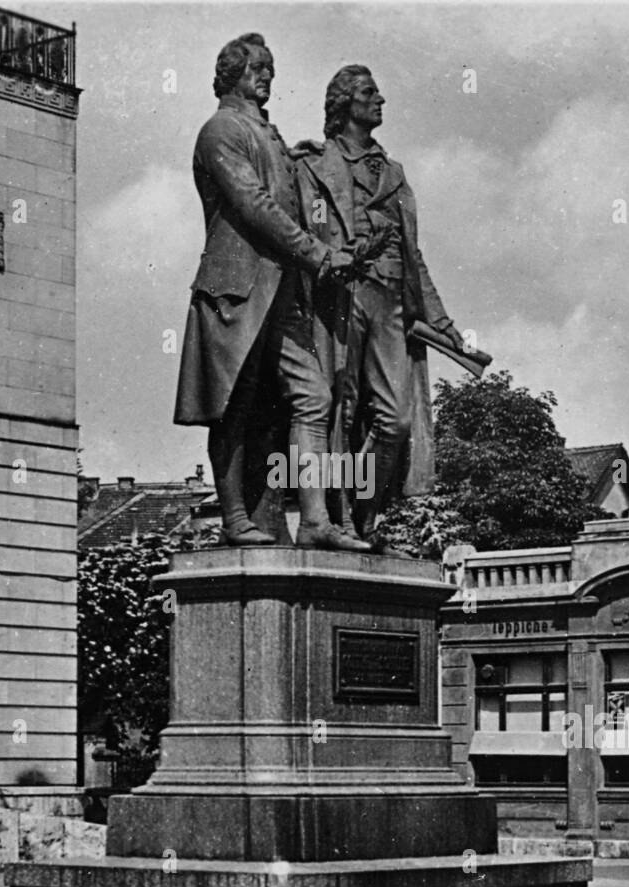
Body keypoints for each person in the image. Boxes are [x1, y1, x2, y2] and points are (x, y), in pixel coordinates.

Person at [173, 34, 369, 551]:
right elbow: (254, 205)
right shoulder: (221, 130)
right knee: (232, 405)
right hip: (235, 290)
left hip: (281, 292)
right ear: (231, 73)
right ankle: (234, 518)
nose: (267, 76)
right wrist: (317, 253)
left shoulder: (270, 136)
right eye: (258, 68)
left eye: (271, 68)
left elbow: (293, 199)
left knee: (314, 396)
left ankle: (315, 521)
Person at [295, 65, 466, 551]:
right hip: (342, 300)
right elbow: (312, 231)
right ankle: (344, 520)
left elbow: (415, 256)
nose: (381, 100)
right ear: (345, 103)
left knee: (396, 419)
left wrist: (441, 320)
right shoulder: (315, 165)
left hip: (390, 301)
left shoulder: (393, 173)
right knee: (342, 415)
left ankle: (367, 512)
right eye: (370, 93)